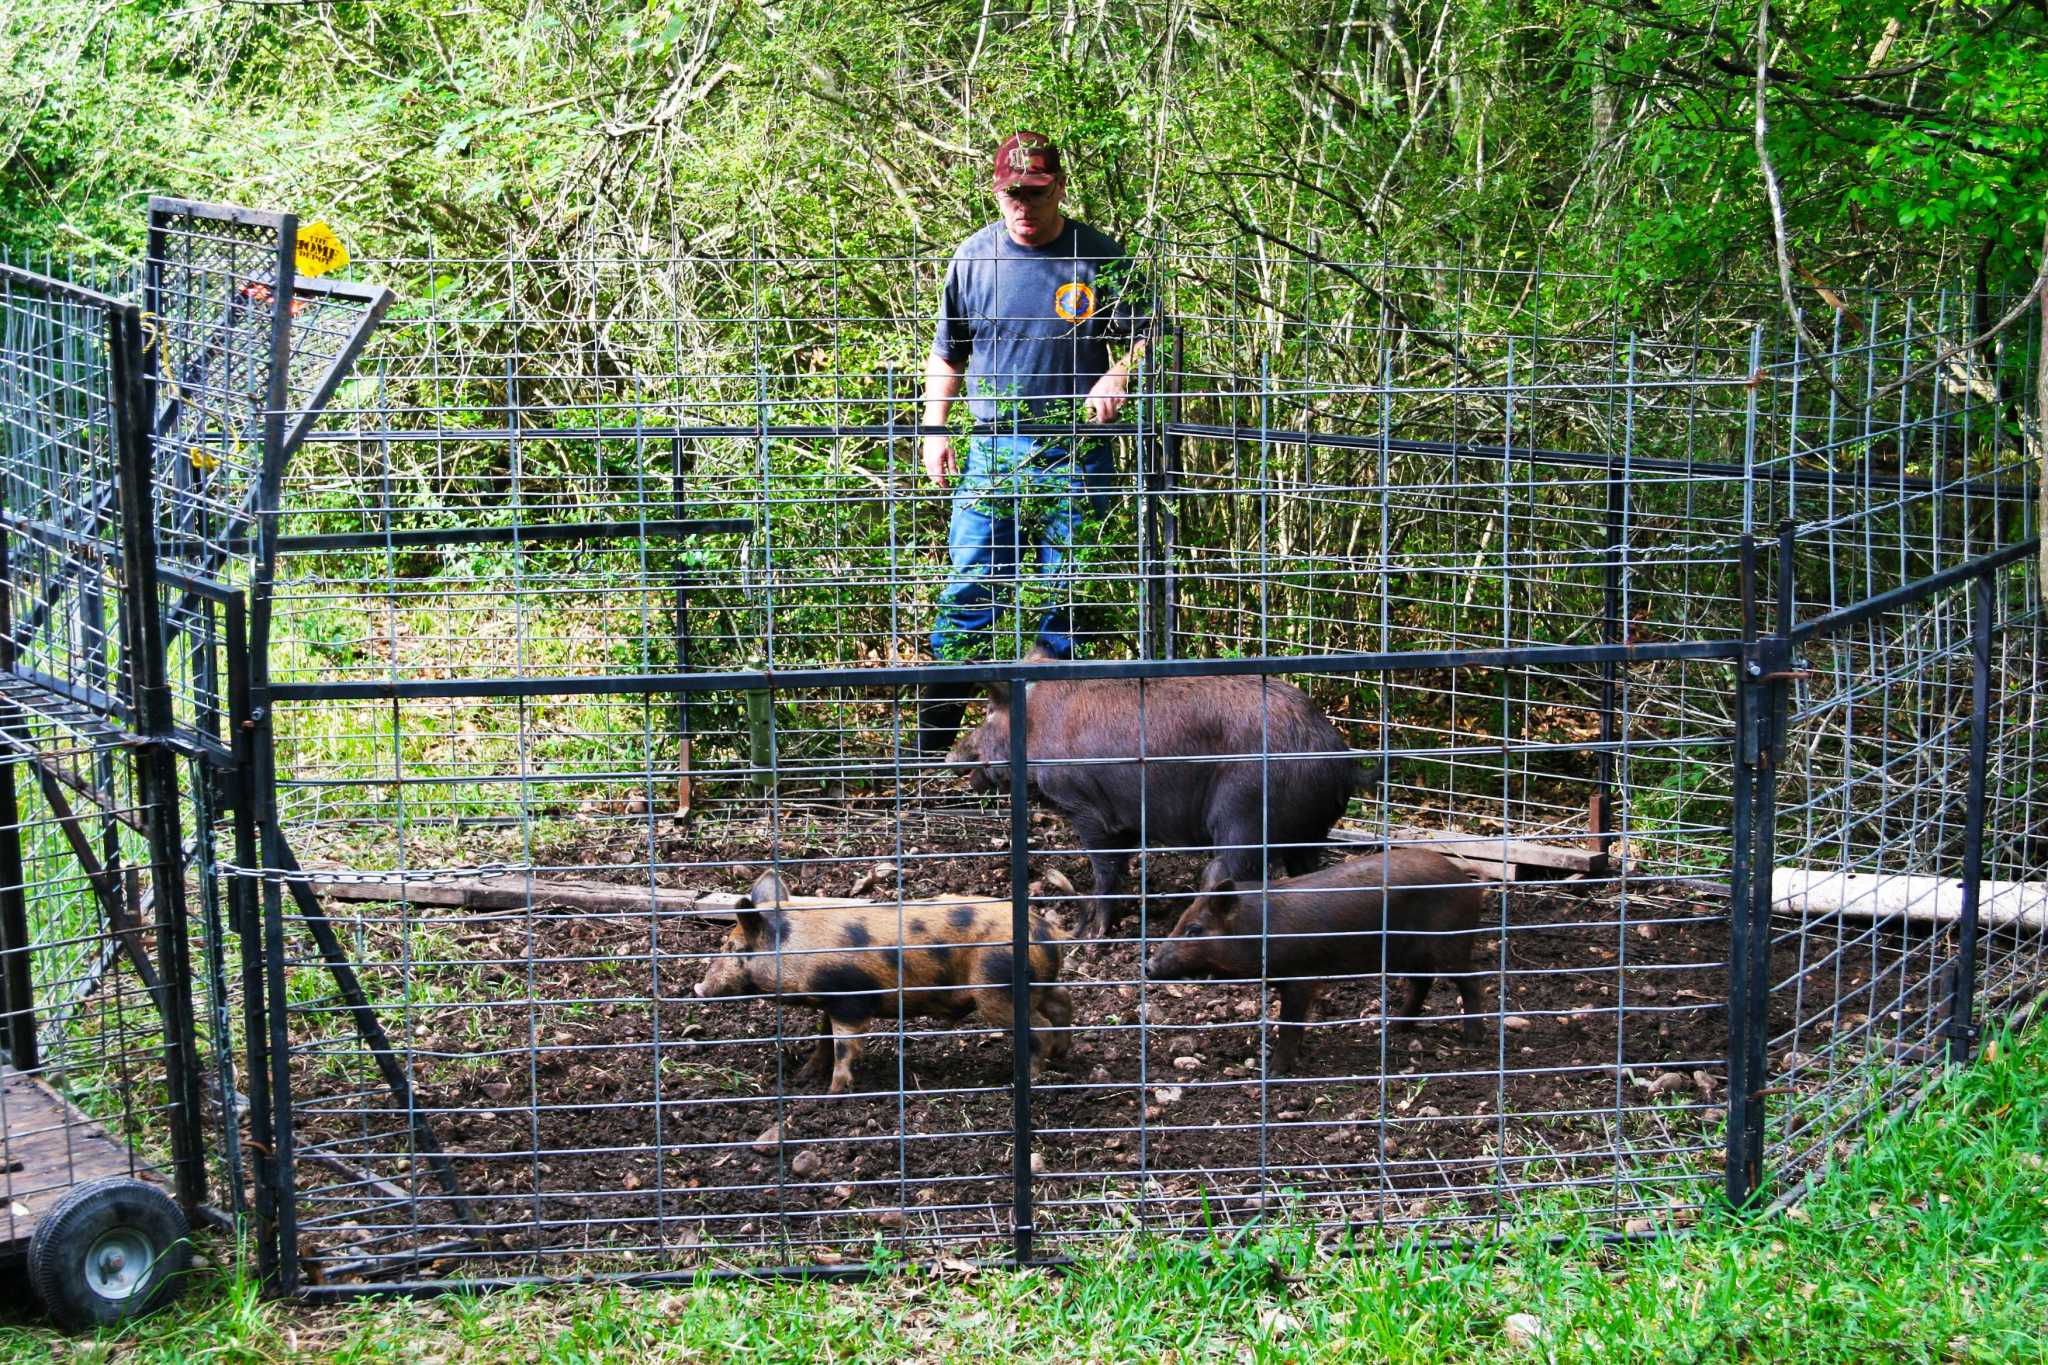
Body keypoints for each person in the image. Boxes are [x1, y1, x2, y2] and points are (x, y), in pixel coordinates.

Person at [914, 131, 1146, 752]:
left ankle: (1060, 750)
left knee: (1069, 592)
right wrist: (935, 428)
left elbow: (1147, 340)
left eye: (1036, 193)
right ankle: (931, 752)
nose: (1024, 205)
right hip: (993, 451)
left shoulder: (1100, 256)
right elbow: (947, 353)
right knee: (969, 589)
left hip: (1077, 451)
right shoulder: (973, 257)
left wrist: (1117, 373)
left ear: (1060, 188)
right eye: (1012, 193)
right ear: (997, 191)